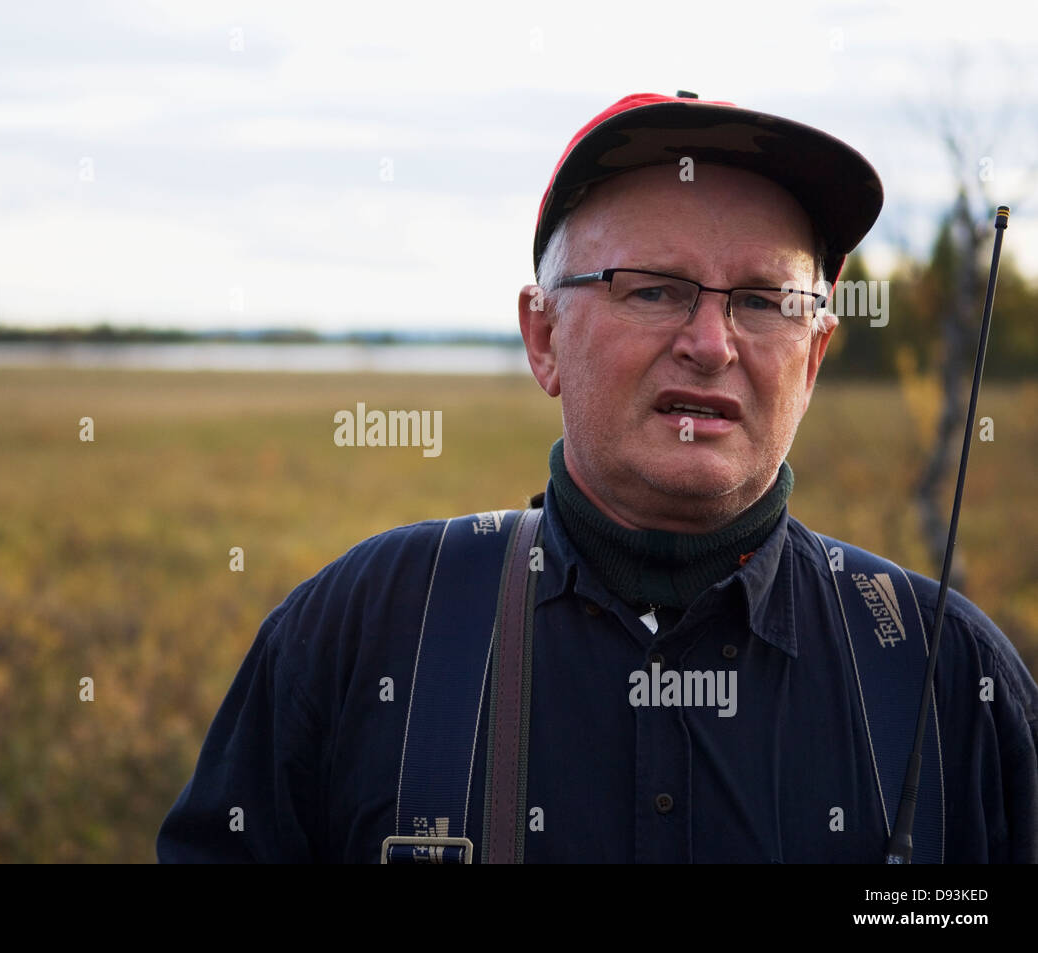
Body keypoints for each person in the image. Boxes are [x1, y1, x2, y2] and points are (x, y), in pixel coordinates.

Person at [157, 91, 1038, 863]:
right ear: (543, 338)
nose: (710, 342)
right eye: (653, 288)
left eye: (765, 301)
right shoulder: (360, 634)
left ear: (812, 360)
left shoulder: (952, 679)